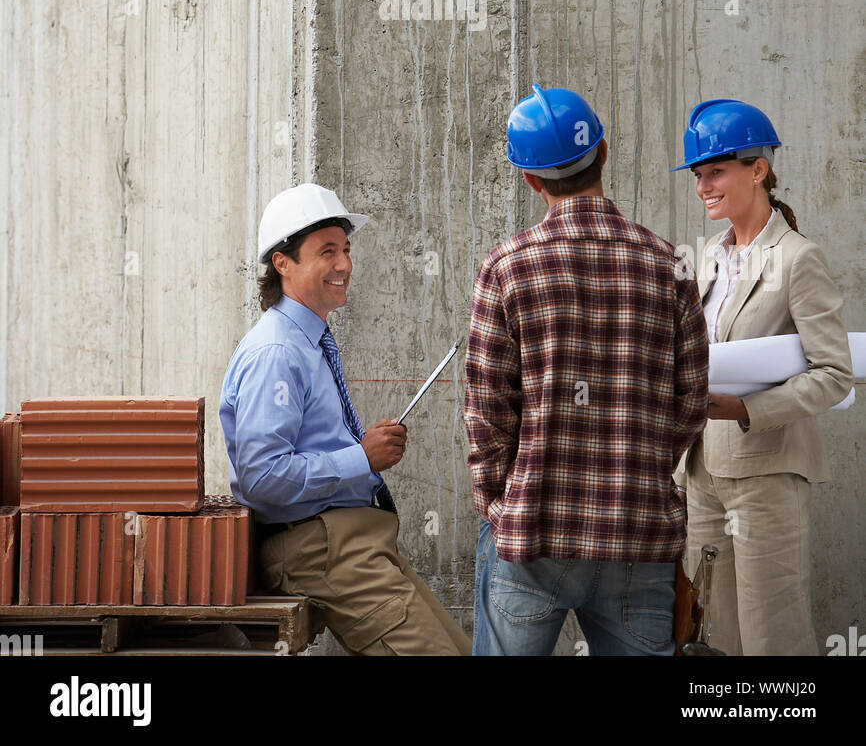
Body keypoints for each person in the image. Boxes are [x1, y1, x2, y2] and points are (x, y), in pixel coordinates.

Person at [465, 85, 708, 655]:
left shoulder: (506, 269)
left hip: (533, 533)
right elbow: (691, 402)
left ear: (530, 180)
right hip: (639, 537)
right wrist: (639, 468)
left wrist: (499, 503)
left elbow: (487, 414)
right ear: (602, 152)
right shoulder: (669, 264)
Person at [219, 182, 471, 656]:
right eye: (327, 251)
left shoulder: (306, 342)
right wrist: (360, 458)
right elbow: (261, 477)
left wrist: (362, 450)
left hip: (351, 540)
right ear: (283, 263)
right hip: (321, 547)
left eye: (347, 250)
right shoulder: (277, 352)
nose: (344, 265)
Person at [671, 98, 854, 656]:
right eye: (699, 174)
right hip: (700, 472)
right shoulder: (707, 259)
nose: (704, 185)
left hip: (766, 475)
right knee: (710, 630)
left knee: (772, 633)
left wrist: (747, 409)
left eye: (716, 171)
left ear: (759, 169)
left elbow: (834, 374)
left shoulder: (798, 259)